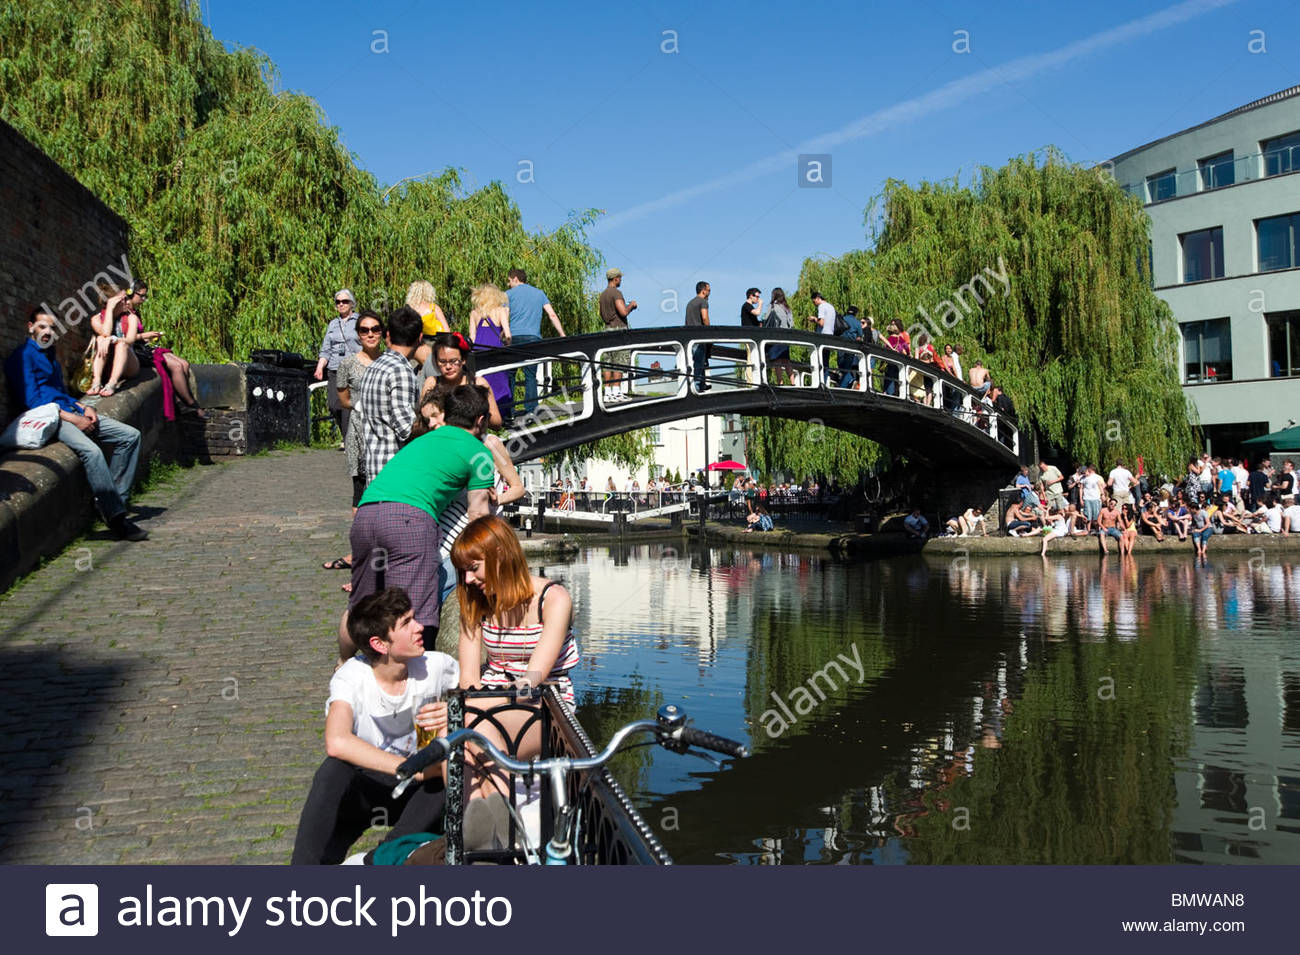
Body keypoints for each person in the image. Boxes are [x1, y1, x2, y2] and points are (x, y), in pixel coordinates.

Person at [290, 587, 458, 865]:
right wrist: (410, 771)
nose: (420, 627)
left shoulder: (438, 666)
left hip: (423, 792)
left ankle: (380, 860)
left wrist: (454, 710)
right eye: (407, 623)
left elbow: (480, 706)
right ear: (380, 644)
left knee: (449, 772)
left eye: (414, 618)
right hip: (373, 784)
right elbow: (337, 741)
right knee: (332, 771)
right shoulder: (352, 676)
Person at [342, 385, 496, 662]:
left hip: (367, 513)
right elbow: (477, 517)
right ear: (481, 420)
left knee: (363, 605)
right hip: (409, 521)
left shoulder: (422, 440)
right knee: (411, 612)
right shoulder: (479, 452)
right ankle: (409, 680)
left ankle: (345, 663)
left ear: (447, 415)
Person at [451, 515, 579, 816]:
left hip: (546, 707)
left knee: (462, 727)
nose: (468, 580)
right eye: (463, 572)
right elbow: (469, 679)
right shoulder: (475, 603)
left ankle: (502, 830)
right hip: (489, 706)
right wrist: (473, 705)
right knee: (463, 737)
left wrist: (470, 709)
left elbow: (532, 681)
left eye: (473, 568)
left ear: (500, 556)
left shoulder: (553, 599)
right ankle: (489, 832)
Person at [5, 309, 147, 540]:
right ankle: (116, 518)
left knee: (130, 435)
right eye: (42, 327)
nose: (47, 332)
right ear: (30, 326)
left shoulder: (50, 355)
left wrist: (84, 407)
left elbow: (61, 393)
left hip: (69, 409)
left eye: (52, 328)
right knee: (92, 452)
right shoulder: (21, 358)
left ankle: (114, 501)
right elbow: (31, 402)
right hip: (50, 418)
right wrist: (72, 417)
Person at [324, 311, 386, 573]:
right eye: (364, 330)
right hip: (360, 432)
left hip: (385, 435)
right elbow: (343, 398)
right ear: (357, 334)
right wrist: (363, 410)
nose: (370, 334)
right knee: (360, 492)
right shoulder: (348, 364)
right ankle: (360, 553)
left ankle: (382, 551)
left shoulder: (390, 361)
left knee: (384, 491)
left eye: (374, 329)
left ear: (382, 332)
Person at [115, 280, 205, 418]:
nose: (143, 300)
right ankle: (190, 403)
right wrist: (144, 335)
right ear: (131, 293)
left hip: (143, 347)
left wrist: (147, 337)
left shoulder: (134, 312)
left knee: (184, 363)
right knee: (176, 366)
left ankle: (180, 399)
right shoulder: (124, 313)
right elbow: (124, 336)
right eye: (141, 296)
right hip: (135, 351)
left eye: (145, 296)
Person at [359, 306, 422, 485]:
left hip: (374, 467)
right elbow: (405, 428)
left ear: (388, 335)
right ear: (420, 338)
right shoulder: (401, 370)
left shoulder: (374, 366)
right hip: (395, 471)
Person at [505, 269, 565, 418]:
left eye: (509, 280)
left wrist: (503, 335)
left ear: (516, 279)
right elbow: (551, 314)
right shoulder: (539, 293)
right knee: (530, 375)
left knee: (510, 373)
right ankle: (531, 410)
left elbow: (505, 316)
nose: (508, 283)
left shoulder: (508, 294)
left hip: (513, 337)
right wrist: (562, 334)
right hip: (533, 338)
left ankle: (509, 411)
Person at [421, 332, 503, 428]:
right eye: (442, 362)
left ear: (463, 359)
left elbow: (497, 422)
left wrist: (477, 410)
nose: (448, 367)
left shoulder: (478, 383)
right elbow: (422, 419)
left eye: (453, 361)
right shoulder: (432, 383)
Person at [314, 288, 361, 441]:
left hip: (353, 368)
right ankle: (348, 435)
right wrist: (320, 366)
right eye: (338, 302)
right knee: (334, 405)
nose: (341, 304)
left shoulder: (359, 321)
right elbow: (326, 348)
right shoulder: (333, 324)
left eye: (344, 301)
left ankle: (349, 440)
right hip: (334, 368)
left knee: (347, 405)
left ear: (351, 303)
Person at [467, 284, 513, 416]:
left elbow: (472, 337)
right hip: (496, 350)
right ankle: (502, 414)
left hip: (479, 351)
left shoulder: (474, 313)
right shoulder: (500, 311)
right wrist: (507, 346)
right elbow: (508, 335)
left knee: (482, 383)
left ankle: (483, 414)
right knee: (500, 382)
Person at [87, 285, 140, 397]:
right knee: (100, 339)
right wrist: (110, 310)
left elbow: (130, 340)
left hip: (129, 365)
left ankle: (112, 383)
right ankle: (96, 381)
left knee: (122, 345)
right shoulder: (96, 320)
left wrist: (113, 339)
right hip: (108, 364)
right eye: (123, 299)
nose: (128, 302)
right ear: (112, 303)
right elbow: (105, 333)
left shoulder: (131, 318)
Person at [598, 268, 637, 401]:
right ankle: (617, 392)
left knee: (608, 362)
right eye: (620, 278)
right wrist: (631, 305)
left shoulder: (603, 295)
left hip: (607, 330)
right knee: (619, 362)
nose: (621, 280)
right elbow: (623, 312)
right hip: (619, 330)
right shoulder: (616, 293)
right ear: (615, 279)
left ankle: (607, 393)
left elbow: (602, 314)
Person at [407, 280, 451, 372]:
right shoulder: (434, 308)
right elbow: (447, 331)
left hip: (415, 347)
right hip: (434, 346)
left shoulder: (408, 309)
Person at [685, 280, 712, 391]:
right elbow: (704, 318)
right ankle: (697, 385)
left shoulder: (690, 303)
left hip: (689, 337)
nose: (710, 292)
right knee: (699, 362)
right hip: (699, 336)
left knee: (697, 361)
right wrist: (709, 331)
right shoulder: (703, 302)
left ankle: (701, 384)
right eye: (709, 290)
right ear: (703, 291)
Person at [764, 287, 794, 385]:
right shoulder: (787, 307)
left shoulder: (773, 306)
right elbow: (792, 324)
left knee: (777, 360)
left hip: (776, 336)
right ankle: (793, 382)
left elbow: (766, 319)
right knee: (786, 360)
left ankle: (780, 382)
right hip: (787, 337)